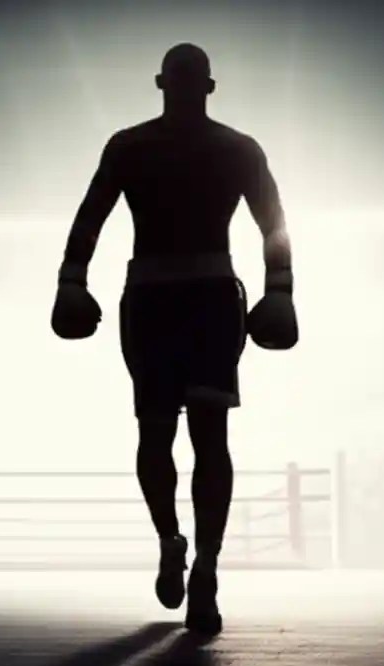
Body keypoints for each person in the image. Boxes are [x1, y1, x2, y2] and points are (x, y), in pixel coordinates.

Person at [51, 43, 297, 635]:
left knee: (164, 433)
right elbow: (274, 225)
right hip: (204, 298)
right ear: (207, 86)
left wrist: (71, 283)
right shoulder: (230, 149)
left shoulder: (136, 146)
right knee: (196, 436)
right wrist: (280, 291)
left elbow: (89, 220)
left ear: (162, 82)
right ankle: (197, 560)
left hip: (166, 298)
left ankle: (184, 550)